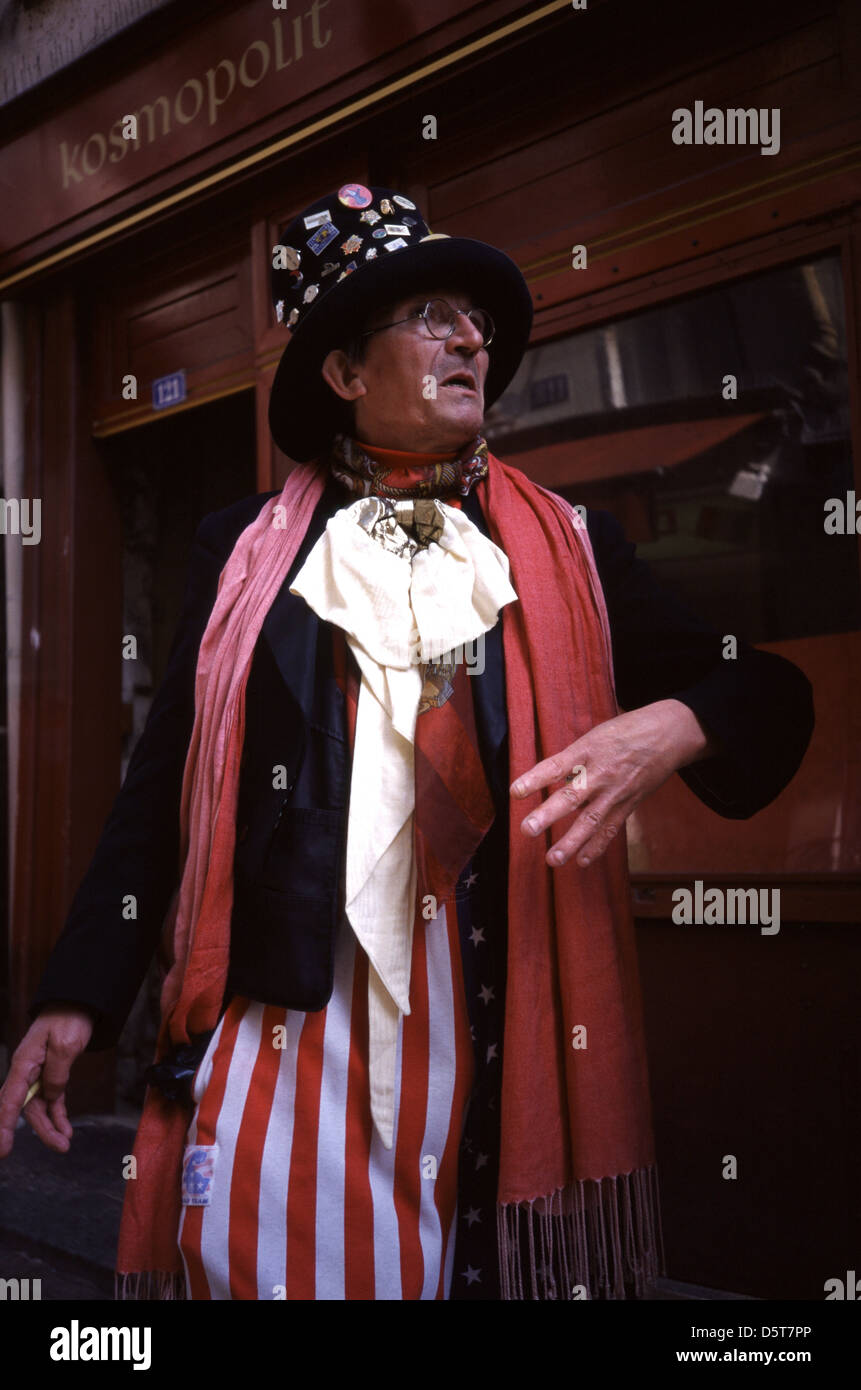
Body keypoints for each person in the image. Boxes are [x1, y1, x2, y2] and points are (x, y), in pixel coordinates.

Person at [0, 185, 814, 1301]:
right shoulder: (245, 552)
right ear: (343, 372)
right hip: (282, 1025)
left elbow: (767, 691)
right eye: (431, 315)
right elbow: (162, 792)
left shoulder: (570, 551)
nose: (472, 336)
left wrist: (668, 730)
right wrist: (74, 994)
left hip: (479, 1037)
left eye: (474, 321)